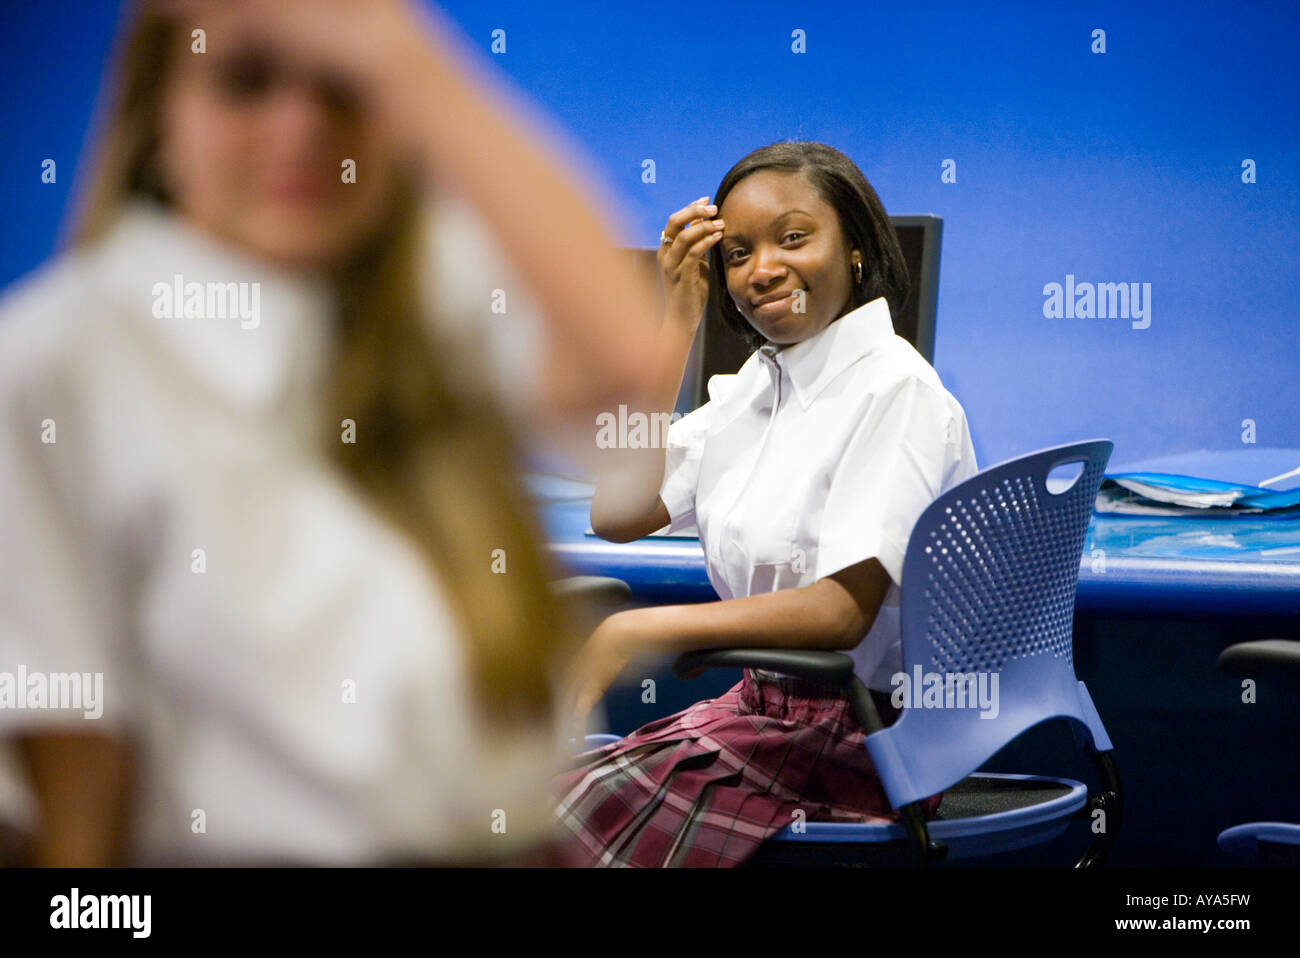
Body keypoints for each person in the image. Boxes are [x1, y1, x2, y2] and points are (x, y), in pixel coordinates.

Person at [0, 0, 664, 866]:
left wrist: (404, 56)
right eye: (245, 82)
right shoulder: (62, 357)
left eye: (344, 88)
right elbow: (72, 772)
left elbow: (618, 361)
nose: (299, 126)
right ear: (158, 115)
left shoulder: (436, 296)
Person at [553, 141, 980, 867]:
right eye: (739, 253)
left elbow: (841, 611)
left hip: (862, 741)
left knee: (545, 830)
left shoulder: (894, 389)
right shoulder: (760, 383)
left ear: (854, 249)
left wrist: (632, 633)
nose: (762, 271)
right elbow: (617, 514)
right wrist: (675, 322)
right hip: (763, 716)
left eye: (793, 238)